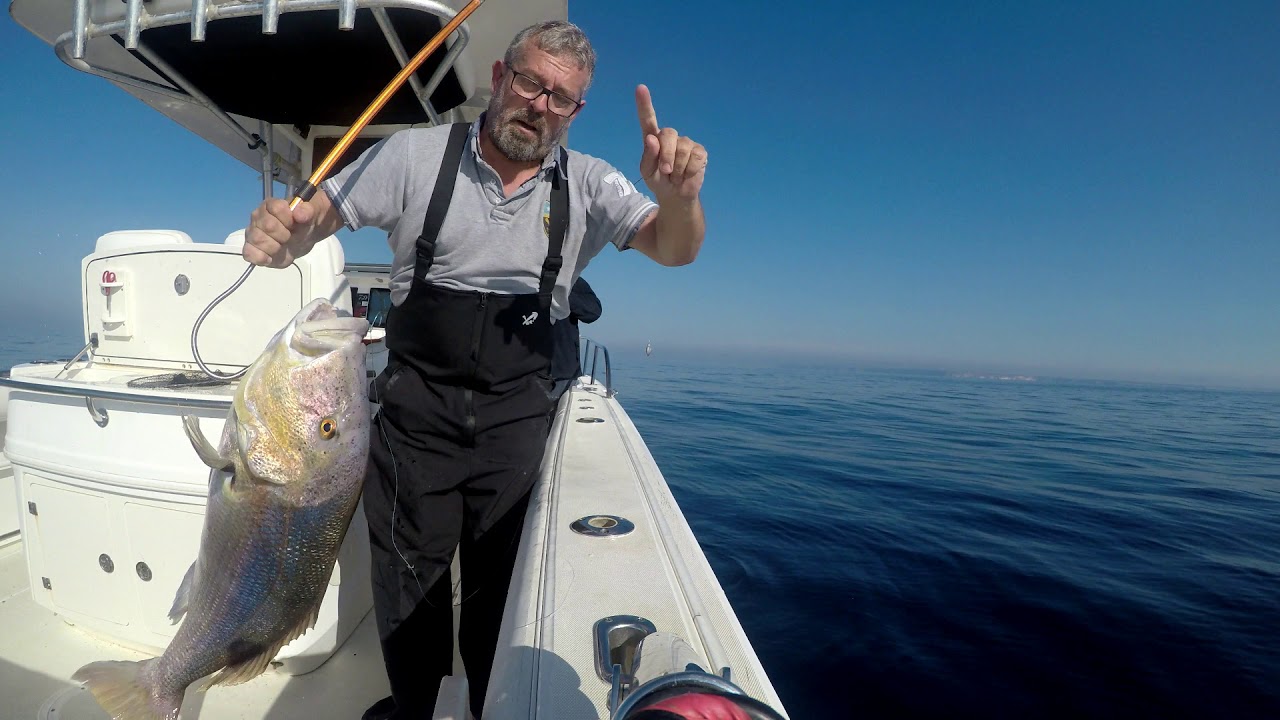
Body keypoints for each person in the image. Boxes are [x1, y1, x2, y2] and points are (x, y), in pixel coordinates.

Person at [241, 20, 707, 720]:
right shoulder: (414, 156)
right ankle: (416, 708)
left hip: (516, 421)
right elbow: (319, 216)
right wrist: (284, 235)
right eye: (531, 83)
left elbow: (676, 248)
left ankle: (495, 707)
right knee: (408, 589)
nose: (540, 106)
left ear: (576, 111)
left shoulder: (590, 184)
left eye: (562, 99)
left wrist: (679, 198)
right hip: (413, 420)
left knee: (497, 591)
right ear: (500, 77)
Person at [548, 275, 602, 401]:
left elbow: (593, 312)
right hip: (517, 373)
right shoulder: (517, 276)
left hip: (561, 373)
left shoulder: (570, 278)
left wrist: (560, 292)